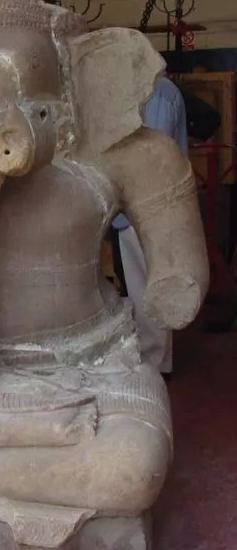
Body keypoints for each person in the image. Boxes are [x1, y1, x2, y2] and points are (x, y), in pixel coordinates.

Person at [111, 75, 188, 379]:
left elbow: (150, 160)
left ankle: (156, 366)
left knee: (147, 288)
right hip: (130, 209)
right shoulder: (144, 91)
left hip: (147, 209)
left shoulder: (156, 94)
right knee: (134, 285)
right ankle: (149, 356)